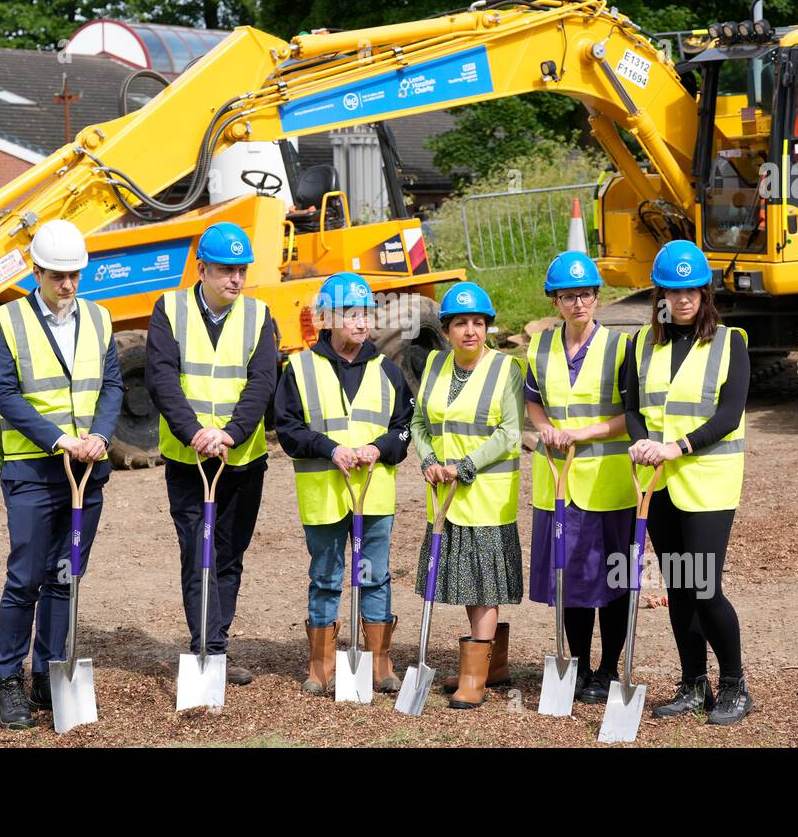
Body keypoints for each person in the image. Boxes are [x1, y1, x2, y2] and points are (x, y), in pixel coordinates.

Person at [0, 219, 124, 730]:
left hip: (88, 470)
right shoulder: (7, 322)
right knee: (25, 577)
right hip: (32, 470)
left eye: (75, 275)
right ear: (36, 271)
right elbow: (5, 395)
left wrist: (101, 437)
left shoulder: (100, 318)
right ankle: (9, 679)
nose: (68, 285)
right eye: (58, 275)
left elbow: (112, 386)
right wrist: (59, 439)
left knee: (65, 576)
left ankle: (48, 672)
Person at [145, 222, 278, 688]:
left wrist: (233, 434)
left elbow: (262, 382)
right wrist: (196, 433)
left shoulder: (259, 316)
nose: (235, 280)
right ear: (201, 268)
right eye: (225, 270)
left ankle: (215, 642)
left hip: (242, 459)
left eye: (241, 271)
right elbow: (161, 378)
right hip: (189, 458)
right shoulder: (170, 309)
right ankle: (208, 647)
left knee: (228, 554)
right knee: (196, 551)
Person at [625, 239, 752, 725]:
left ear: (705, 294)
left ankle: (736, 685)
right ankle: (693, 684)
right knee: (679, 587)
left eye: (692, 290)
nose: (682, 299)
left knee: (703, 586)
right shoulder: (642, 343)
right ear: (660, 294)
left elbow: (729, 413)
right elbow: (633, 409)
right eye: (673, 290)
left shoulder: (731, 342)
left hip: (707, 482)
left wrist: (677, 447)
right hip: (657, 483)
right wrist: (639, 442)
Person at [274, 272, 414, 695]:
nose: (361, 323)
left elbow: (405, 429)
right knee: (326, 577)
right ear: (327, 318)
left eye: (366, 314)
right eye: (351, 314)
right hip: (324, 496)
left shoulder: (389, 371)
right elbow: (287, 428)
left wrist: (379, 447)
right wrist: (328, 448)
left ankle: (379, 664)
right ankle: (321, 666)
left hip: (374, 495)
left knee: (374, 576)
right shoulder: (299, 368)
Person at [524, 252, 636, 703]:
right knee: (569, 579)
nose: (578, 304)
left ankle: (610, 668)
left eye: (585, 294)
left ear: (597, 298)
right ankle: (581, 667)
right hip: (558, 483)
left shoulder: (619, 347)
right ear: (555, 302)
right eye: (568, 296)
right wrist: (542, 427)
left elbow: (633, 416)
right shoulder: (539, 348)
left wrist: (583, 433)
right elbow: (533, 401)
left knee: (613, 579)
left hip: (609, 484)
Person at [412, 281, 525, 709]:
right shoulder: (435, 367)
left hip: (487, 496)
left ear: (488, 327)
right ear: (446, 329)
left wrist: (466, 465)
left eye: (478, 322)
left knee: (483, 584)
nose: (471, 331)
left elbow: (511, 432)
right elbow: (420, 423)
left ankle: (475, 678)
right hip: (445, 495)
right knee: (465, 582)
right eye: (461, 323)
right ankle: (490, 667)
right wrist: (428, 461)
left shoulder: (505, 369)